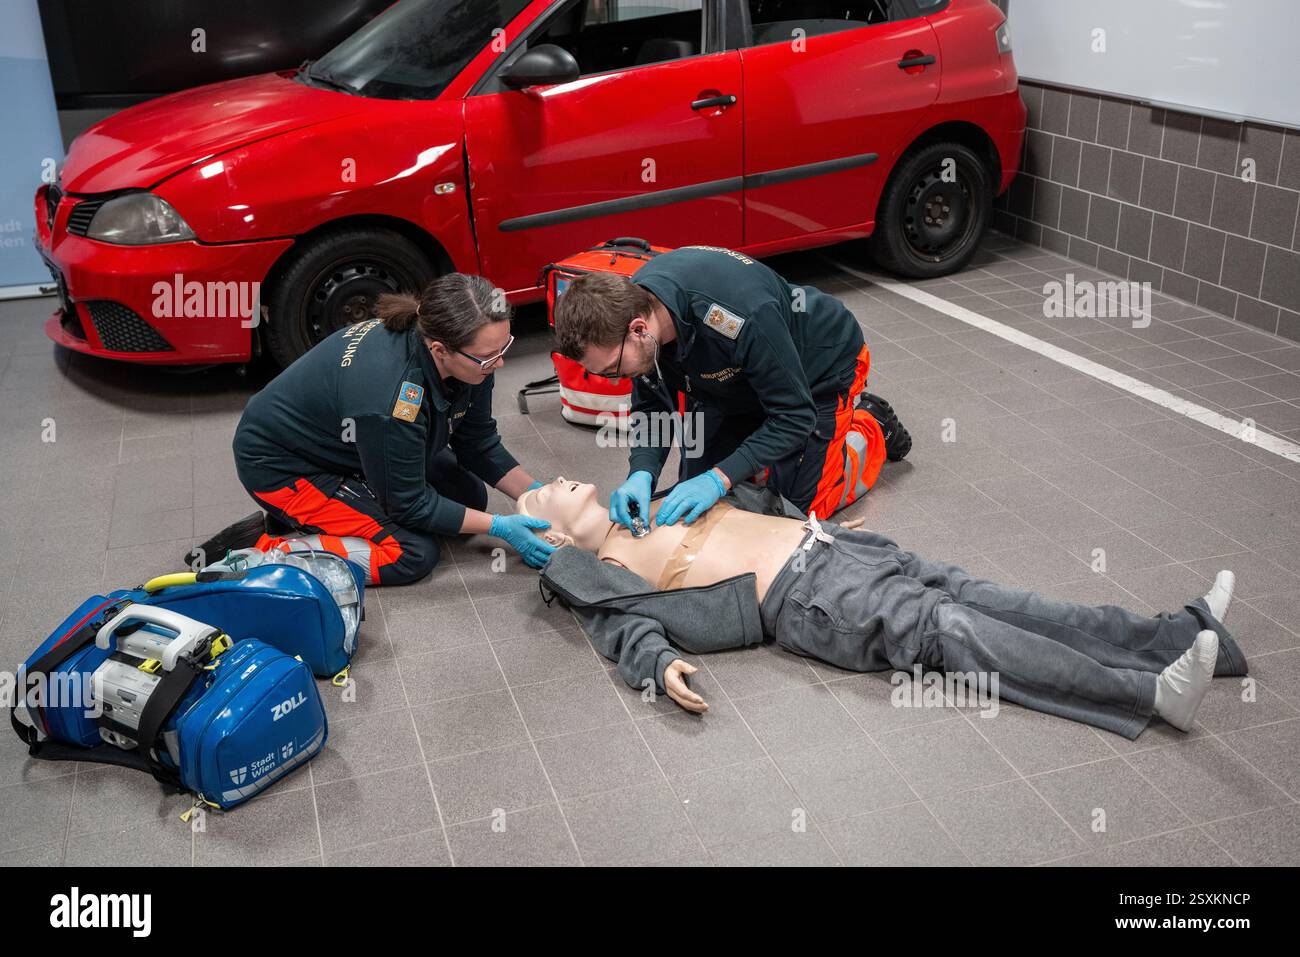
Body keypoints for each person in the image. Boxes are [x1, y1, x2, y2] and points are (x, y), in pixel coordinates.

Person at [520, 478, 1246, 740]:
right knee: (963, 633)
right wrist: (664, 665)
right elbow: (625, 631)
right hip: (813, 598)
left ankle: (1178, 633)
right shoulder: (607, 572)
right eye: (549, 490)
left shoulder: (639, 506)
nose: (562, 476)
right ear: (554, 535)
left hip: (840, 549)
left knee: (999, 601)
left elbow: (749, 501)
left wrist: (809, 521)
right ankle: (1151, 691)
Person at [188, 273, 555, 585]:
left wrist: (540, 497)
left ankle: (336, 515)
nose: (502, 361)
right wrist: (501, 527)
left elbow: (477, 443)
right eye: (491, 356)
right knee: (411, 554)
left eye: (505, 346)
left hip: (352, 444)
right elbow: (408, 504)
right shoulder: (391, 399)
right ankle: (265, 553)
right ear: (441, 350)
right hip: (283, 467)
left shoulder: (471, 356)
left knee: (468, 498)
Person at [551, 245, 909, 534]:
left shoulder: (739, 314)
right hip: (727, 382)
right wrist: (642, 472)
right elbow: (653, 407)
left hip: (817, 375)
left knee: (796, 511)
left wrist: (719, 478)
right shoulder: (638, 309)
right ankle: (761, 449)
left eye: (613, 369)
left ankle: (872, 425)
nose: (615, 380)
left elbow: (793, 416)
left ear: (639, 329)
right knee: (693, 502)